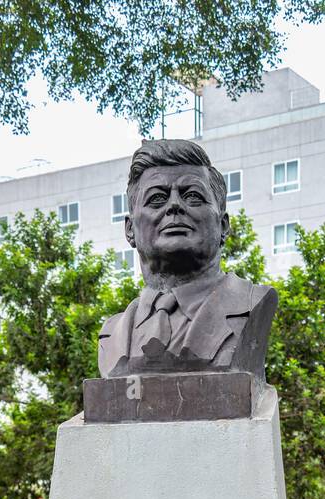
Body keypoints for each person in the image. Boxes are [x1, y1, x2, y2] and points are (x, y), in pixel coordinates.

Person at [98, 139, 278, 379]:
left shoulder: (251, 305)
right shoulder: (112, 334)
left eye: (192, 196)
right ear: (130, 229)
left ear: (223, 225)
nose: (174, 205)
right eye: (156, 199)